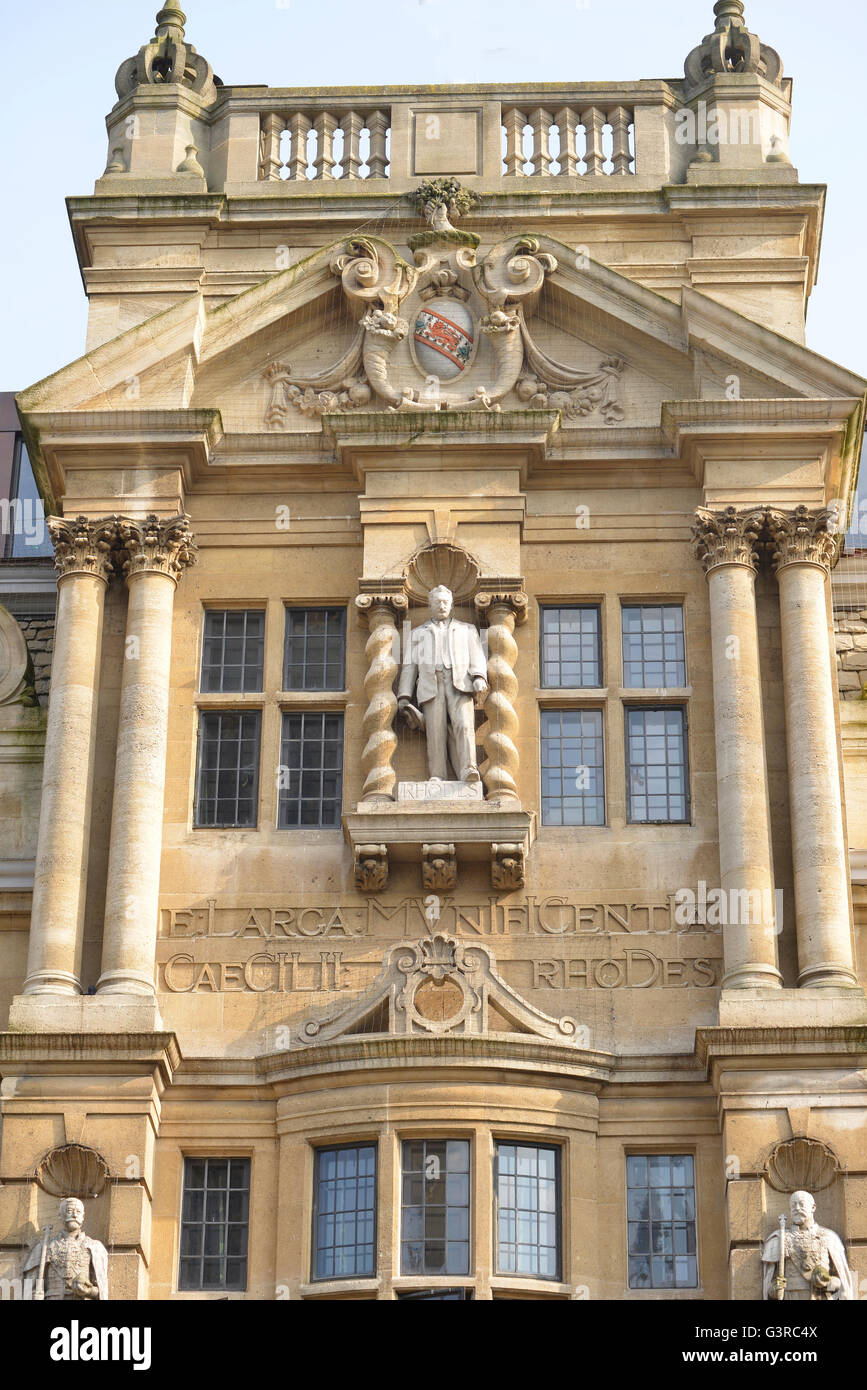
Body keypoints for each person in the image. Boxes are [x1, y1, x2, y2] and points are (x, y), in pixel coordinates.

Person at [397, 585, 489, 783]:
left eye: (446, 602)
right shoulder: (417, 633)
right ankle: (437, 774)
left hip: (460, 683)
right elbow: (409, 666)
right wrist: (404, 695)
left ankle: (468, 769)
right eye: (438, 602)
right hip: (431, 684)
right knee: (435, 731)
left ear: (452, 605)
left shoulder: (467, 629)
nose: (442, 605)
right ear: (430, 605)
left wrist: (479, 677)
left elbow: (477, 656)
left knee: (464, 726)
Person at [762, 1190, 854, 1300]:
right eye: (793, 1205)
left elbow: (841, 1280)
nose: (797, 1208)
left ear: (813, 1207)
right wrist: (774, 1289)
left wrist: (828, 1282)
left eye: (801, 1204)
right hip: (790, 1296)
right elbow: (768, 1283)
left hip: (820, 1296)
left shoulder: (829, 1237)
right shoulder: (779, 1238)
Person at [23, 1196, 109, 1300]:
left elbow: (102, 1291)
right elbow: (28, 1287)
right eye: (70, 1210)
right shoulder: (44, 1247)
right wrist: (33, 1296)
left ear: (83, 1217)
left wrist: (89, 1291)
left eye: (78, 1212)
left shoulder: (94, 1246)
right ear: (60, 1215)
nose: (74, 1215)